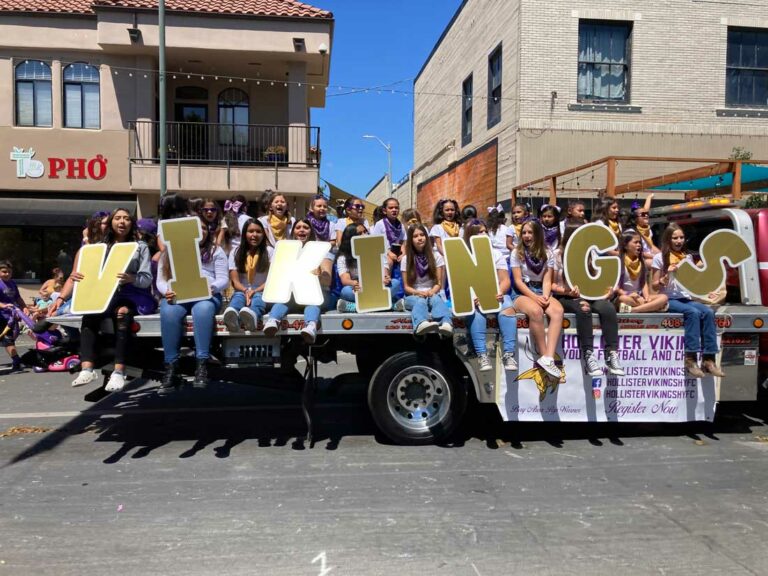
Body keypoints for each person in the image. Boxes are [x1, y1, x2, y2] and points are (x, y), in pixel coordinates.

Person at [51, 208, 156, 391]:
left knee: (122, 314)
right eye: (117, 218)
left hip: (134, 294)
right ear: (111, 223)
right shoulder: (98, 247)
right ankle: (87, 368)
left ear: (131, 223)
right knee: (90, 315)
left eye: (126, 218)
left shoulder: (140, 247)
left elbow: (146, 278)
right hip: (106, 295)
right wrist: (74, 282)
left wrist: (131, 278)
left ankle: (119, 372)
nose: (122, 222)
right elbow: (89, 275)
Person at [157, 217, 229, 391]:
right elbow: (161, 279)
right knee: (169, 312)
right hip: (177, 295)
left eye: (204, 228)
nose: (201, 231)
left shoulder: (215, 251)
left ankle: (202, 364)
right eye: (198, 228)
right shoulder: (169, 252)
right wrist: (166, 291)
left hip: (206, 294)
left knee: (203, 310)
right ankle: (171, 367)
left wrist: (211, 287)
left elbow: (224, 279)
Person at [651, 223, 725, 378]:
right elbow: (654, 286)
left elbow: (693, 283)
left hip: (686, 297)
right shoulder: (659, 258)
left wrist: (706, 291)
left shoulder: (688, 257)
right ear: (668, 239)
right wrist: (665, 277)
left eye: (681, 237)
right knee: (692, 313)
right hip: (669, 298)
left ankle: (709, 359)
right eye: (675, 238)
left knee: (708, 312)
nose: (679, 241)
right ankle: (690, 359)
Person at [552, 223, 625, 377]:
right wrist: (568, 291)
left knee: (608, 308)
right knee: (584, 309)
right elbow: (551, 284)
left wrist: (607, 290)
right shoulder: (557, 255)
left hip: (590, 295)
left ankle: (611, 353)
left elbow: (599, 278)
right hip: (566, 296)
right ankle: (588, 354)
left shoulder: (590, 254)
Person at [510, 219, 563, 378]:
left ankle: (548, 358)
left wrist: (545, 295)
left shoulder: (548, 253)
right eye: (524, 233)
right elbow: (518, 281)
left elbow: (547, 280)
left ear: (538, 234)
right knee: (536, 311)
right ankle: (543, 353)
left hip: (541, 289)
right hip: (523, 292)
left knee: (558, 311)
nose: (526, 236)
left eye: (530, 232)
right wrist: (535, 297)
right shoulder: (516, 253)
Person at [462, 220, 518, 371]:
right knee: (476, 311)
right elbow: (461, 283)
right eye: (480, 232)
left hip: (495, 295)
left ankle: (508, 354)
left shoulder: (496, 253)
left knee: (508, 307)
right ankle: (482, 355)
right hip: (474, 296)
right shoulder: (463, 255)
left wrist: (499, 292)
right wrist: (474, 296)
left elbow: (505, 280)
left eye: (485, 231)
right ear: (471, 235)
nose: (484, 234)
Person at [264, 219, 324, 343]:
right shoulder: (284, 250)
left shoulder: (319, 250)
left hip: (311, 295)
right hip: (291, 295)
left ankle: (311, 327)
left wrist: (320, 273)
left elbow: (326, 279)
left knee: (313, 302)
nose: (302, 229)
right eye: (298, 227)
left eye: (306, 227)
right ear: (293, 232)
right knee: (284, 300)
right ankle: (272, 321)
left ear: (310, 232)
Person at [401, 223, 453, 338]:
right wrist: (419, 293)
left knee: (436, 299)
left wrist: (431, 292)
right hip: (413, 296)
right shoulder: (406, 259)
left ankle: (446, 324)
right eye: (415, 236)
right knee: (420, 301)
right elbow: (406, 287)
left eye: (422, 235)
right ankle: (420, 324)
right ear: (411, 240)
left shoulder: (437, 257)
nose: (420, 238)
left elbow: (438, 284)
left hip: (431, 293)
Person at [335, 223, 399, 312]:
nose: (364, 235)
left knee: (396, 283)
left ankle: (355, 307)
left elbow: (385, 273)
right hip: (360, 289)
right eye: (359, 233)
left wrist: (386, 279)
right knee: (345, 291)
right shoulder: (343, 257)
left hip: (377, 287)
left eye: (365, 232)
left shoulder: (378, 249)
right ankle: (389, 306)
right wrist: (355, 284)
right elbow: (345, 280)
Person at [222, 219, 272, 333]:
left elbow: (272, 279)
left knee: (259, 298)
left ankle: (253, 315)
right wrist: (246, 291)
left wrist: (255, 291)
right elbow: (234, 281)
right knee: (238, 297)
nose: (254, 235)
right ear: (245, 234)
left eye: (258, 231)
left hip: (262, 290)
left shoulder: (270, 251)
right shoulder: (236, 251)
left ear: (263, 234)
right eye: (251, 231)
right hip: (242, 290)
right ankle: (231, 315)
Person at [615, 231, 668, 313]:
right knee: (622, 299)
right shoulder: (618, 263)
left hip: (639, 297)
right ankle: (652, 307)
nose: (639, 245)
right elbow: (616, 287)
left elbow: (644, 283)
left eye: (639, 242)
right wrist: (628, 294)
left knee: (664, 297)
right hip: (626, 296)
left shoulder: (641, 262)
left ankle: (634, 310)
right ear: (625, 246)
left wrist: (646, 297)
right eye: (635, 242)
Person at [0, 261, 31, 371]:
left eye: (9, 272)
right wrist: (3, 305)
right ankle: (16, 360)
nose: (7, 274)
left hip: (10, 317)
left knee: (9, 339)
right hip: (1, 316)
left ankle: (16, 360)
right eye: (4, 272)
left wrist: (24, 307)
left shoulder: (12, 283)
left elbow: (18, 298)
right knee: (8, 339)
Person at [624, 194, 659, 267]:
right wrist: (655, 257)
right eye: (643, 214)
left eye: (647, 214)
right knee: (658, 264)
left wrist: (649, 197)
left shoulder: (646, 229)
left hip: (650, 256)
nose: (646, 216)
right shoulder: (632, 232)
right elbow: (638, 252)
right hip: (637, 258)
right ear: (635, 218)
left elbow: (651, 247)